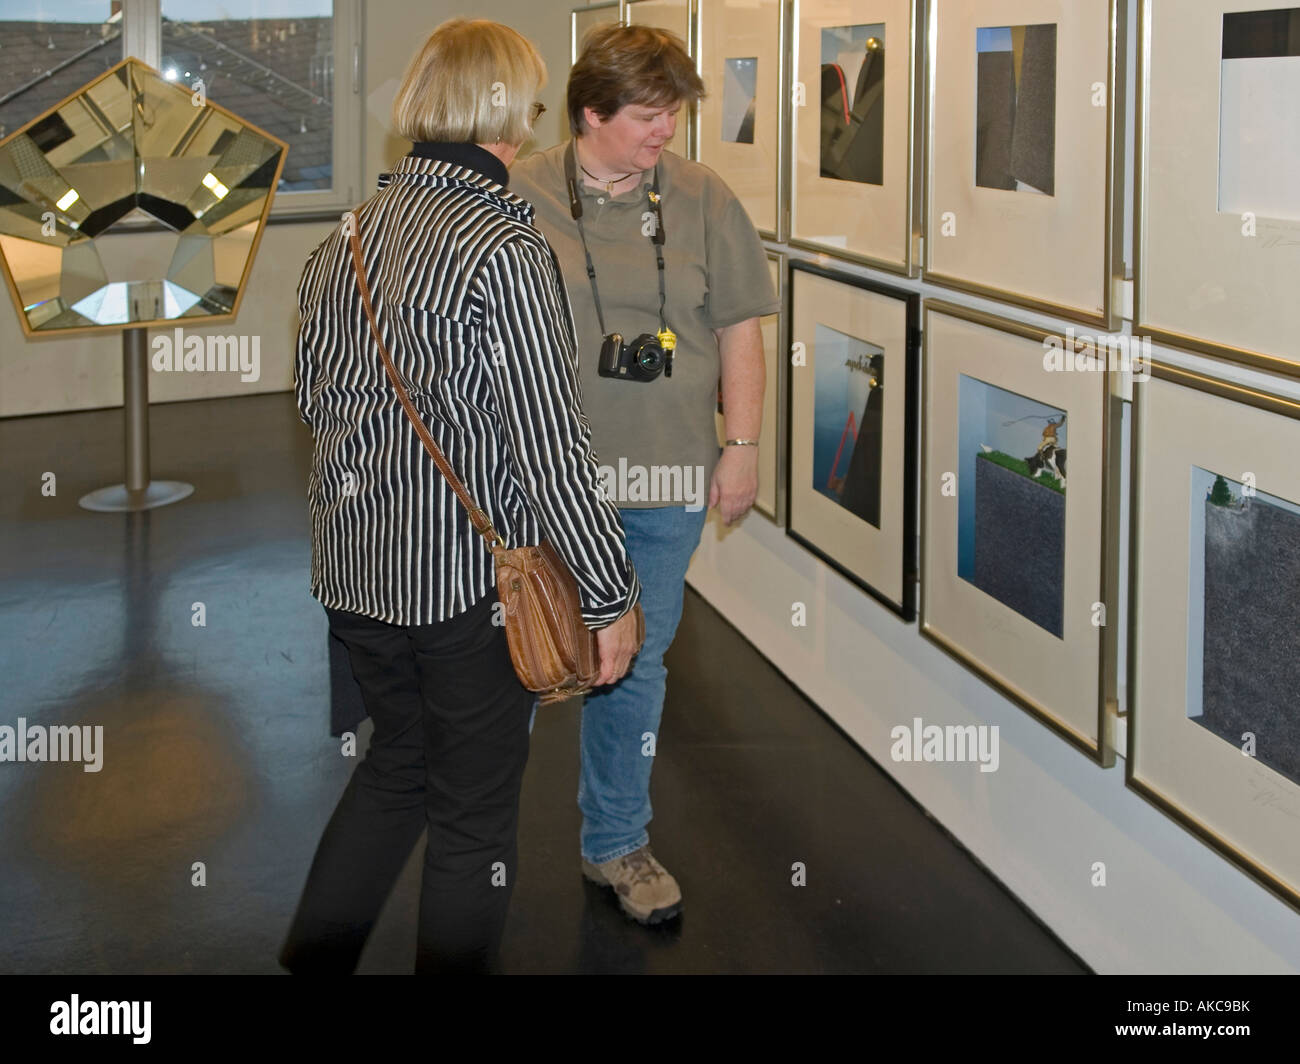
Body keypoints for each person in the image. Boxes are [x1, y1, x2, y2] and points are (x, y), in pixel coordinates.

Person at [281, 17, 643, 975]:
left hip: (357, 577)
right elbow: (550, 450)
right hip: (466, 593)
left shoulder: (344, 241)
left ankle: (312, 963)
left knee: (396, 771)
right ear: (508, 114)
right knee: (474, 825)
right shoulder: (502, 249)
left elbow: (319, 407)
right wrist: (608, 595)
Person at [510, 23, 778, 925]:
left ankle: (616, 843)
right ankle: (476, 842)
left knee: (635, 667)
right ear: (593, 112)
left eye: (676, 115)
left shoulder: (702, 196)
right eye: (651, 117)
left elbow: (741, 326)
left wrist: (741, 447)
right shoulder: (520, 193)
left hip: (668, 479)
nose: (668, 133)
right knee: (524, 658)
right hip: (550, 482)